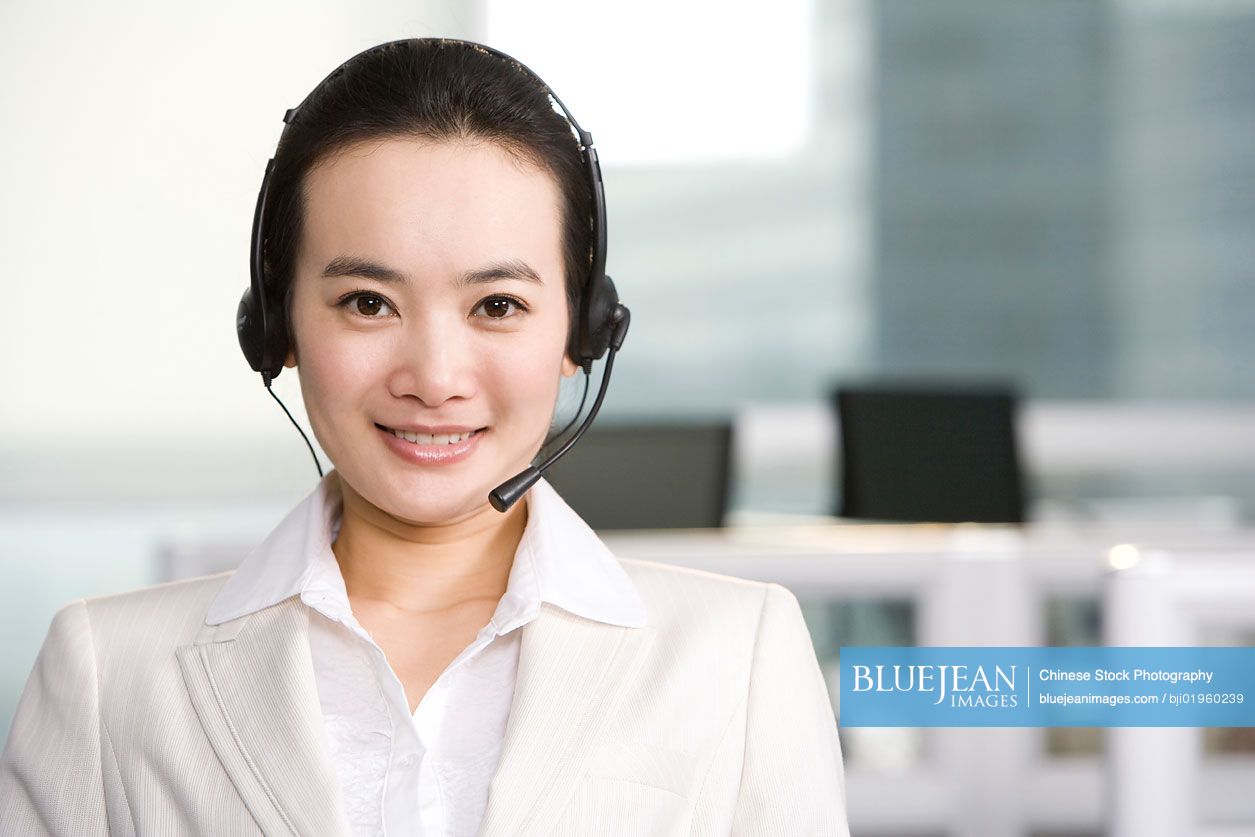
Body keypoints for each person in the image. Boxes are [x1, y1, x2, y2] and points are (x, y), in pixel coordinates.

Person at [0, 38, 850, 836]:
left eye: (497, 305)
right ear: (276, 325)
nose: (434, 376)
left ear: (581, 333)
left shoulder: (737, 655)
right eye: (368, 301)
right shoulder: (109, 672)